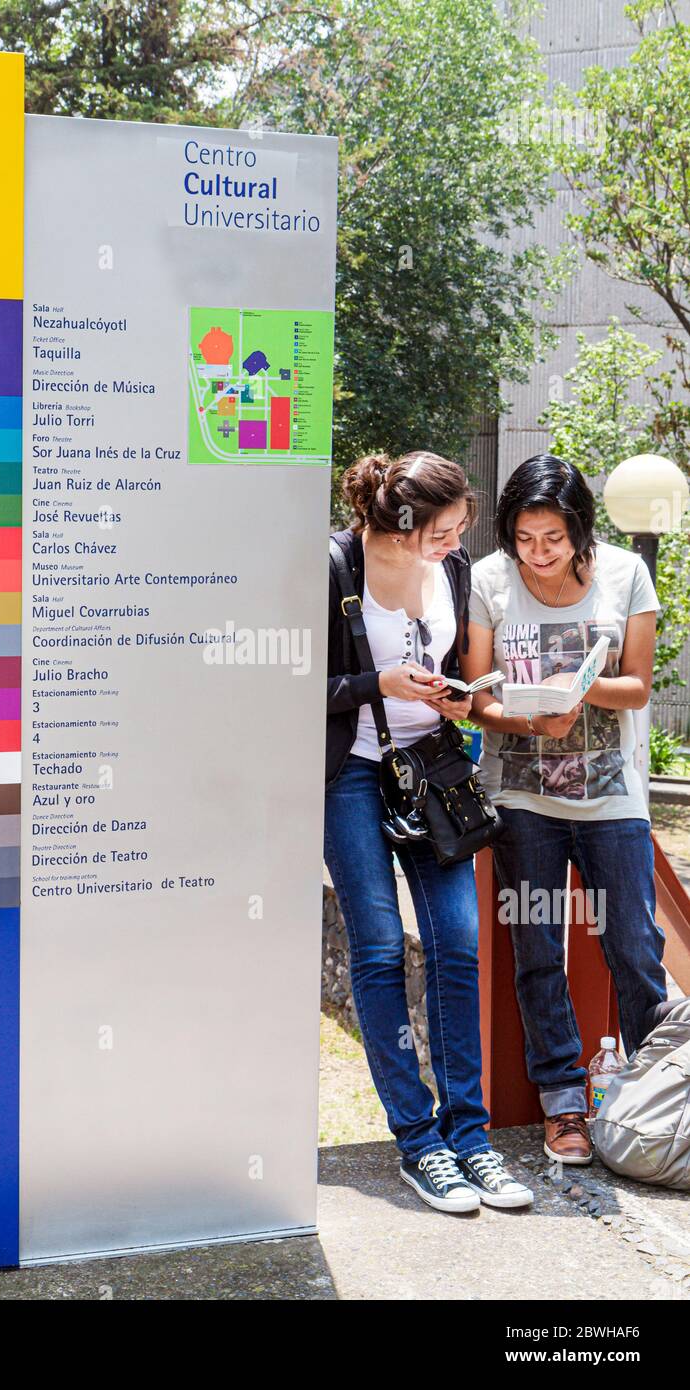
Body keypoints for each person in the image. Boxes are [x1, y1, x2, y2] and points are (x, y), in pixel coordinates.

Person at [325, 450, 533, 1212]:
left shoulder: (450, 571)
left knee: (457, 941)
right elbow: (286, 681)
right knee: (379, 948)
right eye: (442, 534)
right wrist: (372, 684)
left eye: (459, 533)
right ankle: (419, 1143)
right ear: (401, 524)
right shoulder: (334, 566)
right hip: (348, 774)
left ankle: (470, 1138)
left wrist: (459, 700)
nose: (454, 547)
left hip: (434, 771)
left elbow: (458, 669)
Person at [461, 453, 669, 1165]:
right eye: (523, 539)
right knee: (537, 950)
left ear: (579, 529)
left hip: (612, 795)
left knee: (636, 948)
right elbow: (478, 698)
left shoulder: (625, 574)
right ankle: (563, 1106)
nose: (538, 555)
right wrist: (526, 719)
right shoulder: (489, 581)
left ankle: (656, 1096)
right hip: (522, 798)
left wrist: (580, 691)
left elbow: (638, 687)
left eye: (552, 538)